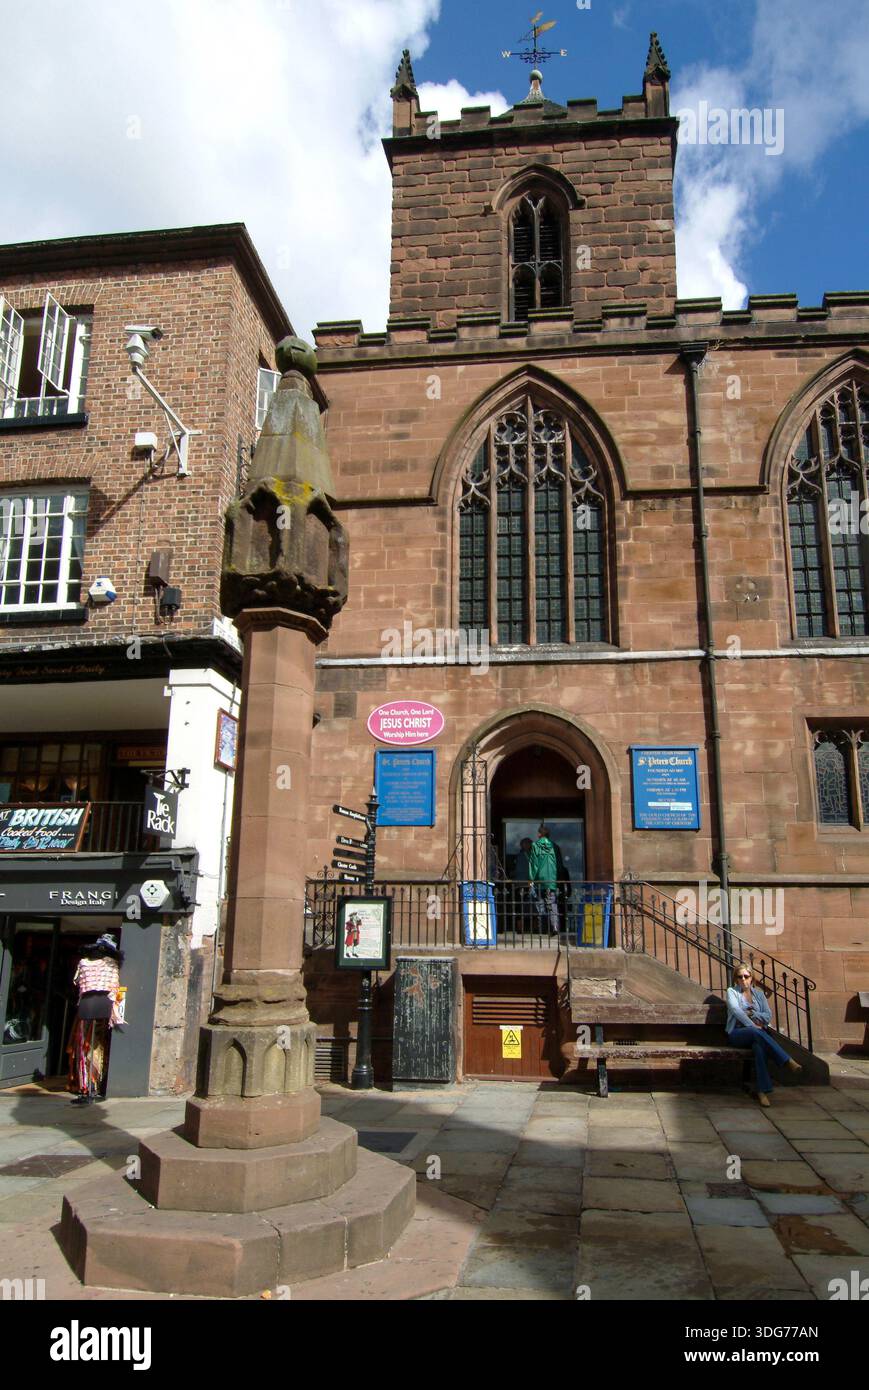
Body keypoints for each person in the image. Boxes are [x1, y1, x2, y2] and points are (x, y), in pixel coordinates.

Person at [726, 962, 801, 1106]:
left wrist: (754, 1014)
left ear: (752, 978)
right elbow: (736, 1011)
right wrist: (752, 1025)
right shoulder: (732, 992)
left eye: (746, 976)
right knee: (756, 1032)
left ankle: (762, 1091)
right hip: (737, 1033)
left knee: (759, 1048)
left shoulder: (759, 995)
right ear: (736, 979)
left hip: (759, 1034)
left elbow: (768, 1015)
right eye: (740, 977)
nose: (743, 979)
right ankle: (787, 1060)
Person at [68, 932, 124, 1105]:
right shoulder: (108, 964)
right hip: (97, 1004)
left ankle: (90, 1086)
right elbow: (114, 987)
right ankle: (89, 1086)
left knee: (91, 1045)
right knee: (89, 1046)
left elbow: (78, 982)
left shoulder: (88, 963)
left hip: (92, 1004)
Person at [527, 824, 560, 935]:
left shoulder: (535, 845)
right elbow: (559, 864)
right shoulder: (554, 846)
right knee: (552, 903)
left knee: (540, 903)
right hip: (551, 879)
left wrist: (531, 879)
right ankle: (554, 926)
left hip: (540, 879)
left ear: (539, 834)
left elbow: (534, 864)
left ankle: (543, 928)